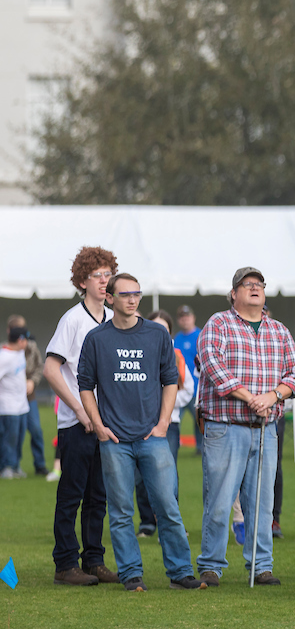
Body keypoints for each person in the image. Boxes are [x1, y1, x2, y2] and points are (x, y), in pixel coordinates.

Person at [76, 273, 205, 592]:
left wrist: (163, 423)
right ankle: (131, 574)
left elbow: (171, 380)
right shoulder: (96, 338)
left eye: (137, 293)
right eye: (125, 294)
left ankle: (181, 572)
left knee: (167, 506)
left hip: (153, 437)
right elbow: (85, 385)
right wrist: (99, 426)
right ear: (110, 298)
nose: (133, 299)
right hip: (114, 440)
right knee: (121, 512)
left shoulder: (157, 334)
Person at [195, 266, 295, 588]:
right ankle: (211, 566)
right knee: (219, 502)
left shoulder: (279, 330)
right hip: (225, 426)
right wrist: (250, 397)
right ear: (234, 293)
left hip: (266, 428)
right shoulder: (218, 324)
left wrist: (273, 396)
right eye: (247, 284)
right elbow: (212, 366)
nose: (254, 288)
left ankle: (261, 566)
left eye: (259, 284)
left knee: (262, 504)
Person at [44, 246, 118, 586]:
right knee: (71, 495)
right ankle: (64, 564)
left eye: (108, 274)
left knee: (98, 497)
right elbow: (51, 369)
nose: (104, 281)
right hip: (76, 424)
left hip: (106, 423)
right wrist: (78, 408)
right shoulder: (73, 319)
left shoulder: (113, 319)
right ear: (82, 281)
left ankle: (93, 561)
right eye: (96, 275)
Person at [134, 311, 194, 538]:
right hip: (140, 423)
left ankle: (170, 523)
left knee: (167, 474)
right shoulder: (137, 353)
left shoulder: (176, 356)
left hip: (170, 423)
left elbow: (187, 390)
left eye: (164, 329)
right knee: (140, 475)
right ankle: (147, 522)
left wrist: (165, 406)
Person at [9, 315, 49, 477]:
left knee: (36, 429)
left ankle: (40, 465)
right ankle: (12, 466)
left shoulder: (31, 348)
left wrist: (32, 381)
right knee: (14, 434)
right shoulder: (5, 351)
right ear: (10, 332)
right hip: (11, 400)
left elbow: (40, 367)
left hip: (29, 397)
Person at [0, 325, 30, 479]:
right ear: (20, 340)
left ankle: (15, 465)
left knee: (19, 438)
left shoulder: (20, 353)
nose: (27, 343)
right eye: (26, 339)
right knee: (8, 439)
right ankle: (5, 467)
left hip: (22, 405)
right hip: (8, 406)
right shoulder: (4, 357)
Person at [173, 305, 202, 457]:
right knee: (174, 418)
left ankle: (201, 448)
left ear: (193, 318)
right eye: (182, 317)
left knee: (198, 419)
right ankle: (173, 445)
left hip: (196, 388)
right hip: (179, 387)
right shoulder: (177, 338)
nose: (185, 320)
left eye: (187, 317)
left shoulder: (200, 336)